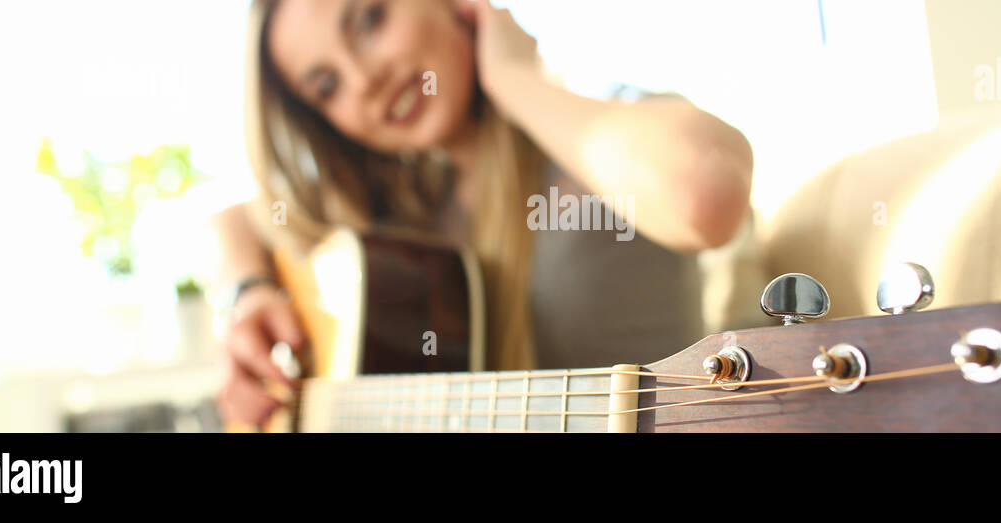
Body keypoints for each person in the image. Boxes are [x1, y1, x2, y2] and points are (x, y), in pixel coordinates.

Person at [215, 0, 753, 427]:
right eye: (327, 86)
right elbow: (235, 218)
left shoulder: (602, 136)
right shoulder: (397, 228)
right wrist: (248, 292)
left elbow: (703, 193)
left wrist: (513, 80)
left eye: (370, 18)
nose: (363, 80)